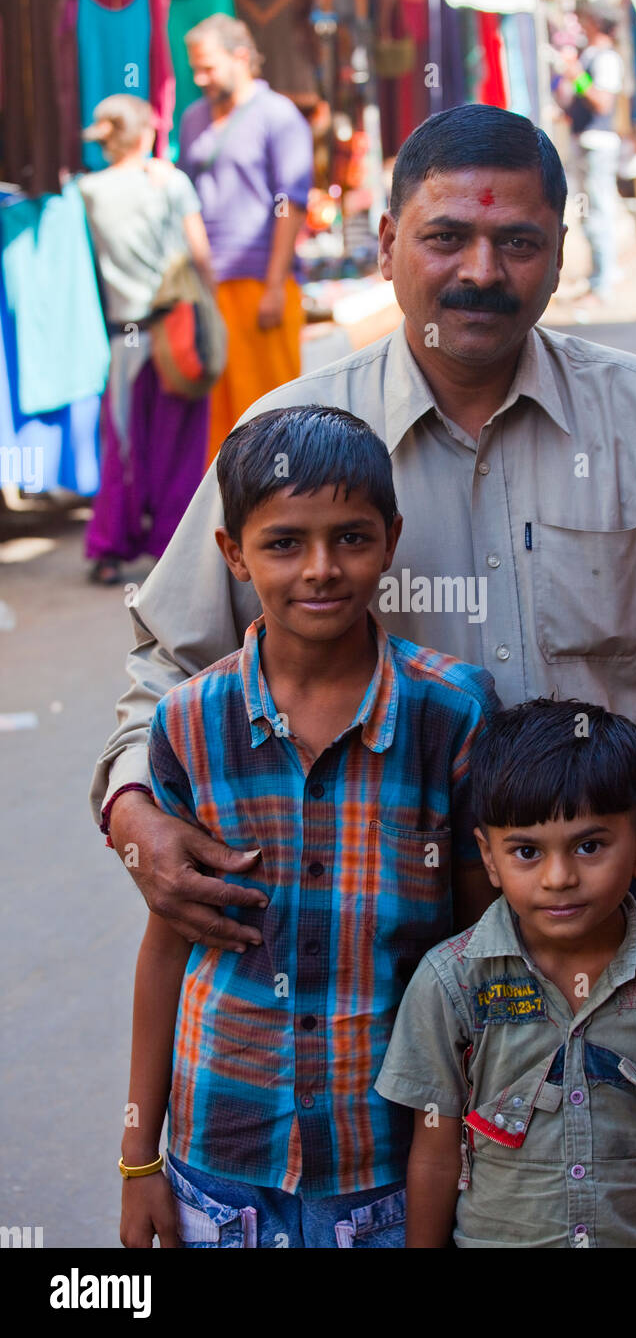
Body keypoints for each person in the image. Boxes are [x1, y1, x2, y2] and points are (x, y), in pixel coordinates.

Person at [93, 104, 636, 1056]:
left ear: (562, 248)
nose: (482, 274)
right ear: (386, 244)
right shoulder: (293, 436)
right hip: (374, 951)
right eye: (446, 237)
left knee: (616, 1195)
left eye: (519, 242)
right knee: (398, 1203)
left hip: (618, 932)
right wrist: (134, 816)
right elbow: (171, 665)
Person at [117, 404, 499, 1248]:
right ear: (233, 553)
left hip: (392, 1159)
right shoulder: (188, 722)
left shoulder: (453, 712)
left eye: (351, 539)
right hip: (222, 1158)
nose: (321, 569)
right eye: (285, 543)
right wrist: (139, 1157)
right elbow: (167, 947)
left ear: (392, 539)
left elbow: (478, 936)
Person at [376, 699, 636, 1248]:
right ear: (489, 858)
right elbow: (436, 1152)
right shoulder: (453, 982)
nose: (559, 878)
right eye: (527, 852)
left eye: (589, 846)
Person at [78, 95, 214, 584]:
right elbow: (200, 255)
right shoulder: (170, 183)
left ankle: (109, 549)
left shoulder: (87, 191)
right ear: (145, 134)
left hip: (123, 336)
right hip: (175, 329)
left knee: (122, 444)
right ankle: (171, 546)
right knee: (179, 440)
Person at [179, 14, 312, 465]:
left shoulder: (278, 115)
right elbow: (186, 199)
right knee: (217, 426)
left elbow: (290, 202)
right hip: (208, 287)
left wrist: (275, 283)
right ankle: (227, 523)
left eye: (208, 67)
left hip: (259, 282)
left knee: (271, 418)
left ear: (241, 56)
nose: (199, 78)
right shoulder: (194, 117)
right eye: (194, 68)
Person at [555, 2, 624, 307]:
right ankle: (598, 278)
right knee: (589, 212)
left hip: (598, 144)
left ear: (596, 22)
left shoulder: (606, 59)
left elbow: (603, 103)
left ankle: (603, 283)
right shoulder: (591, 56)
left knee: (598, 212)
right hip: (584, 142)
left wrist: (577, 76)